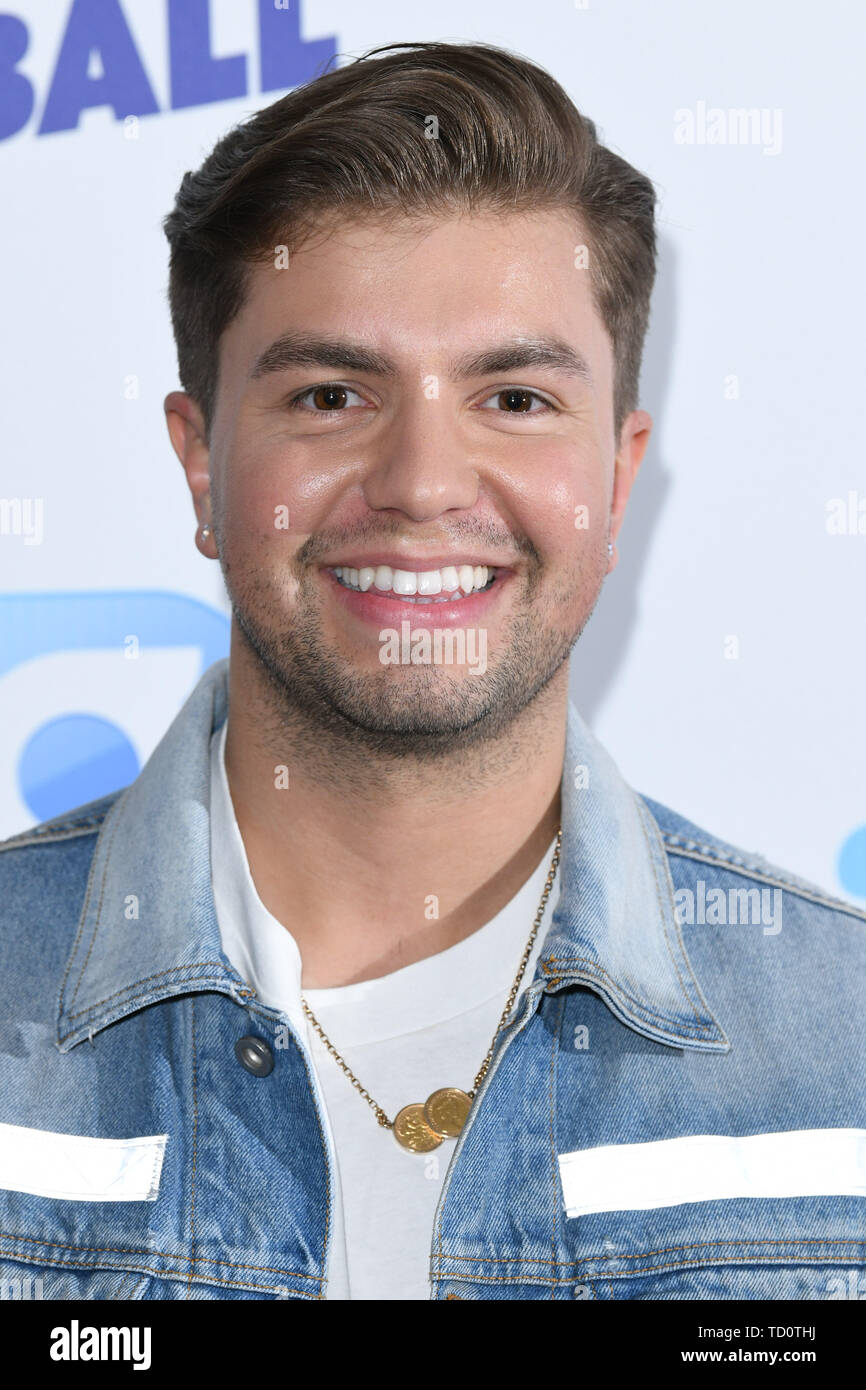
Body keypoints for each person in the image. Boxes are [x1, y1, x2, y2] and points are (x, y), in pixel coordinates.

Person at [1, 41, 863, 1303]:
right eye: (331, 393)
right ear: (201, 462)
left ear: (617, 479)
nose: (419, 483)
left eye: (512, 398)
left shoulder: (839, 1051)